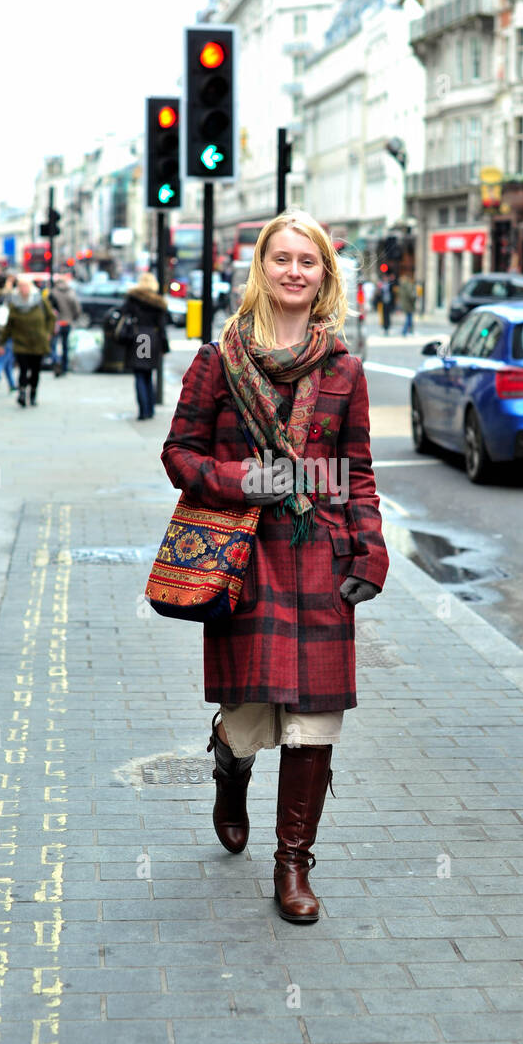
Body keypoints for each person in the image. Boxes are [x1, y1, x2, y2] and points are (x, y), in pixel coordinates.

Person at [160, 209, 389, 924]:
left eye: (308, 261)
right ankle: (230, 771)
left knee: (315, 718)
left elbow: (356, 471)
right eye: (281, 259)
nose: (294, 271)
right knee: (250, 714)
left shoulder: (344, 368)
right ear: (261, 269)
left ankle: (292, 863)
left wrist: (370, 552)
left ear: (324, 276)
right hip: (245, 555)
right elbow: (179, 454)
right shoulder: (218, 360)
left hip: (319, 551)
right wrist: (243, 481)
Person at [0, 275, 56, 406]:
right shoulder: (15, 303)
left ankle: (33, 392)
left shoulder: (40, 300)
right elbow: (9, 324)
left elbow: (51, 317)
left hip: (38, 341)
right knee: (23, 369)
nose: (23, 289)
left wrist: (48, 333)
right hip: (21, 342)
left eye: (26, 286)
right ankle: (22, 392)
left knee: (35, 370)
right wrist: (2, 343)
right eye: (21, 286)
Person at [116, 271, 167, 419]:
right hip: (152, 338)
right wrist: (164, 346)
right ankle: (150, 409)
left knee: (139, 374)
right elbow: (162, 327)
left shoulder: (133, 299)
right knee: (148, 374)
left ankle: (143, 411)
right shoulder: (158, 302)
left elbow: (122, 313)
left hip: (138, 337)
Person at [49, 274, 82, 377]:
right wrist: (73, 318)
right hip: (67, 322)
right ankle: (64, 367)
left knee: (53, 345)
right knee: (65, 346)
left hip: (56, 323)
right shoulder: (70, 292)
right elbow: (77, 308)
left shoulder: (53, 292)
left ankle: (56, 362)